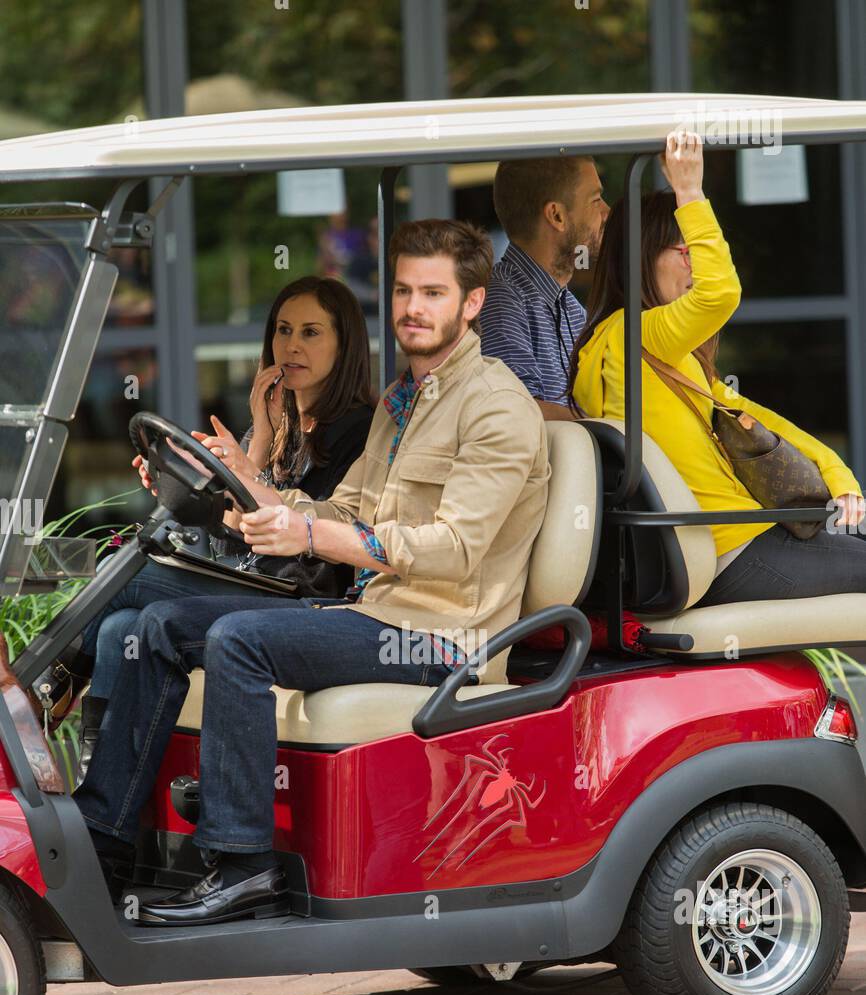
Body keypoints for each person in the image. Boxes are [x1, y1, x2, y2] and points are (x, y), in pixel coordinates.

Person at [73, 218, 550, 925]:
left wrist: (309, 531)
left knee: (239, 639)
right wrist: (240, 493)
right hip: (373, 611)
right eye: (402, 291)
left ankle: (242, 867)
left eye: (433, 293)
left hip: (442, 636)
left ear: (472, 304)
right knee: (160, 622)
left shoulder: (497, 407)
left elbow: (453, 549)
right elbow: (338, 508)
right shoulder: (405, 401)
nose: (413, 308)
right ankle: (102, 843)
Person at [46, 277, 375, 778]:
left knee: (126, 572)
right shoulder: (275, 420)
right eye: (283, 330)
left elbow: (312, 536)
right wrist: (192, 479)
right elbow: (232, 525)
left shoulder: (361, 430)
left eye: (311, 333)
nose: (291, 345)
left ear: (343, 344)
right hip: (247, 576)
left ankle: (47, 685)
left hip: (301, 595)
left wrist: (248, 467)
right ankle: (102, 787)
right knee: (118, 629)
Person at [571, 131, 866, 604]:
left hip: (733, 545)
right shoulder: (635, 337)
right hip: (734, 551)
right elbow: (720, 293)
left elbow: (758, 417)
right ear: (643, 257)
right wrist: (690, 191)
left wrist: (838, 475)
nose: (694, 265)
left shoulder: (645, 348)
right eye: (683, 251)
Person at [479, 155, 609, 420]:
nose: (606, 212)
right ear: (557, 216)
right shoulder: (501, 301)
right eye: (595, 200)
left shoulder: (572, 309)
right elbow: (516, 410)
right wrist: (608, 423)